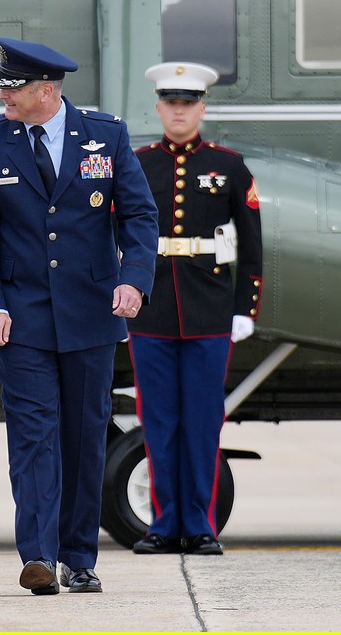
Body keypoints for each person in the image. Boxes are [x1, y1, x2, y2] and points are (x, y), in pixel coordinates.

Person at [0, 37, 158, 594]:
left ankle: (79, 555)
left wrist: (134, 278)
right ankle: (39, 555)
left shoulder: (106, 134)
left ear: (46, 91)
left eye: (13, 90)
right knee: (33, 437)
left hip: (91, 312)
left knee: (83, 436)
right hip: (20, 316)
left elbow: (140, 216)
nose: (4, 99)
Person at [128, 62, 264, 557]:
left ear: (202, 109)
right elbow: (115, 239)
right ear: (159, 107)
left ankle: (201, 526)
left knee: (203, 422)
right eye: (170, 103)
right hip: (152, 308)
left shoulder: (229, 166)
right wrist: (119, 303)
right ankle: (163, 525)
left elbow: (251, 244)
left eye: (188, 104)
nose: (179, 112)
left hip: (209, 311)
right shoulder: (139, 164)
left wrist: (245, 306)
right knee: (158, 421)